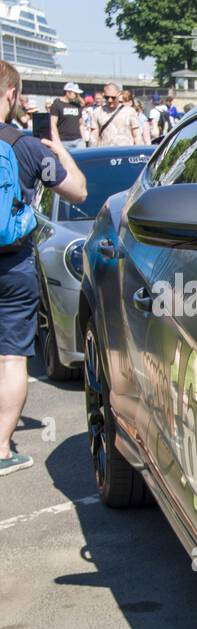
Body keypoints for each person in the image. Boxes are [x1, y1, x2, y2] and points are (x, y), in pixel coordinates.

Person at [0, 60, 87, 477]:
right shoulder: (26, 148)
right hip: (13, 264)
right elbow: (79, 190)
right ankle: (1, 449)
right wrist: (58, 146)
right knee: (12, 359)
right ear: (13, 95)